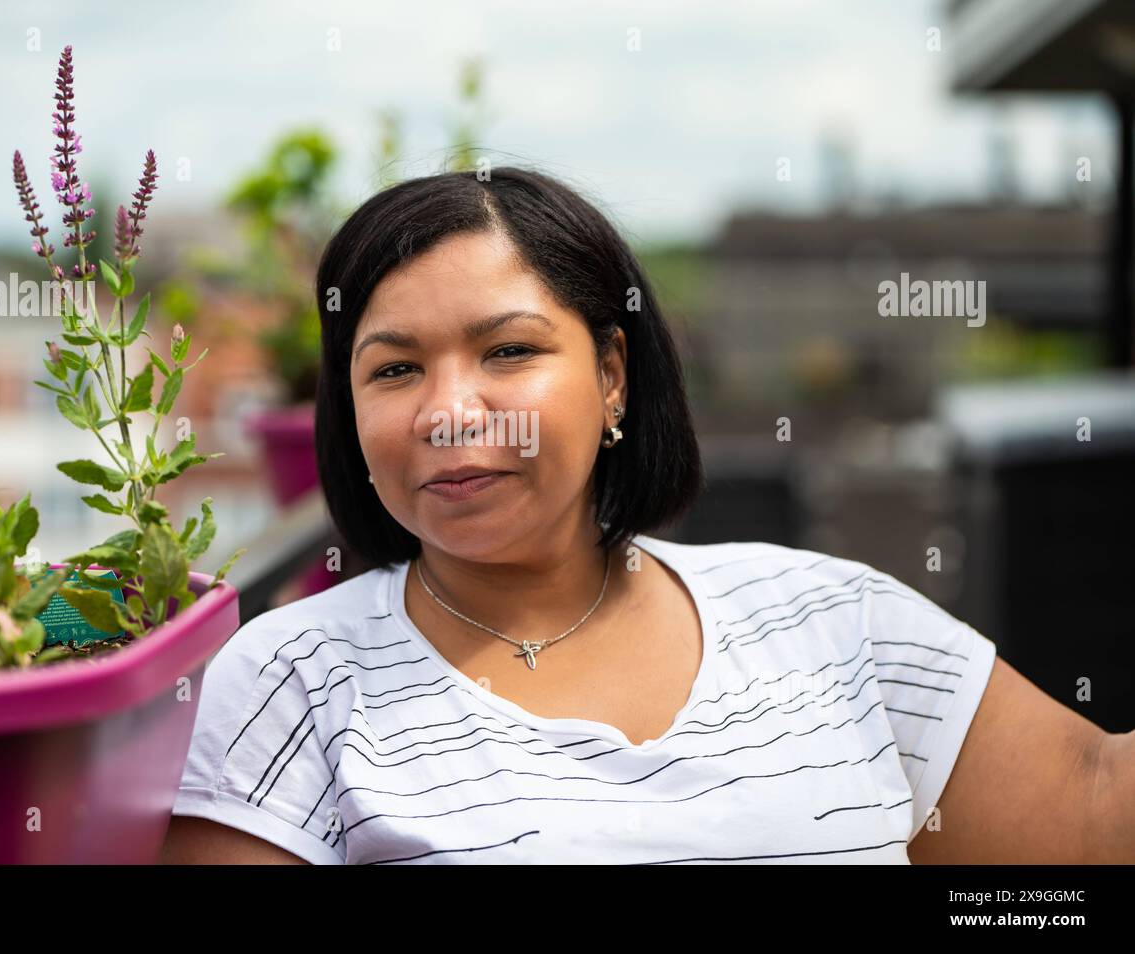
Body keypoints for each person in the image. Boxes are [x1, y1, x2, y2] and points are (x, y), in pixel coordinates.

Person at [161, 167, 1126, 865]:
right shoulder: (294, 681)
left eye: (507, 352)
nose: (449, 410)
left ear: (612, 376)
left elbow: (1091, 802)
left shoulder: (833, 621)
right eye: (395, 368)